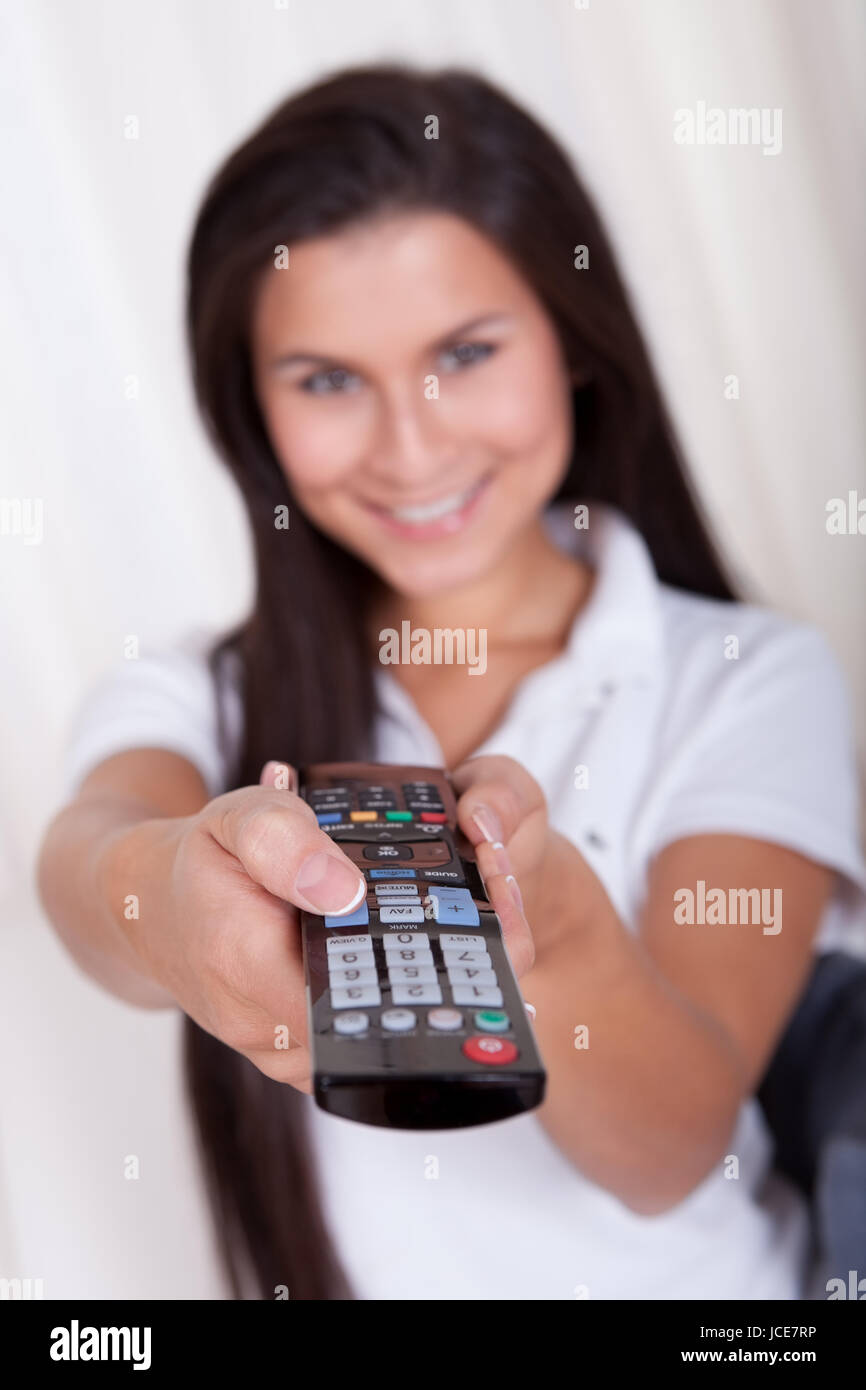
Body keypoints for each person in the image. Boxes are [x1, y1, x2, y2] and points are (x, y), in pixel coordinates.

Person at [37, 64, 866, 1301]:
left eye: (466, 352)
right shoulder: (198, 695)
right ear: (250, 410)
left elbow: (671, 1151)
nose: (412, 446)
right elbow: (84, 863)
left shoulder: (743, 680)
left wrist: (558, 921)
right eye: (325, 379)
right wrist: (163, 889)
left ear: (572, 347)